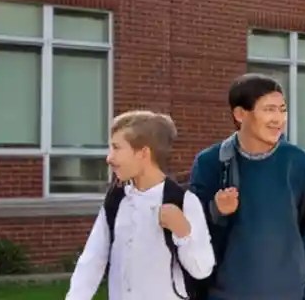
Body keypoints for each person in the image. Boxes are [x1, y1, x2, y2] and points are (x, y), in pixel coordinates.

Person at [189, 74, 305, 300]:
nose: (279, 119)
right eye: (269, 109)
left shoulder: (297, 162)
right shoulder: (210, 162)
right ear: (240, 114)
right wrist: (215, 210)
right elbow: (191, 233)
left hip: (288, 293)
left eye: (282, 110)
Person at [67, 111, 214, 300]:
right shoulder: (116, 199)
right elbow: (93, 259)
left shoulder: (183, 201)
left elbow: (202, 269)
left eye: (117, 148)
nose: (109, 158)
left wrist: (183, 232)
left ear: (143, 153)